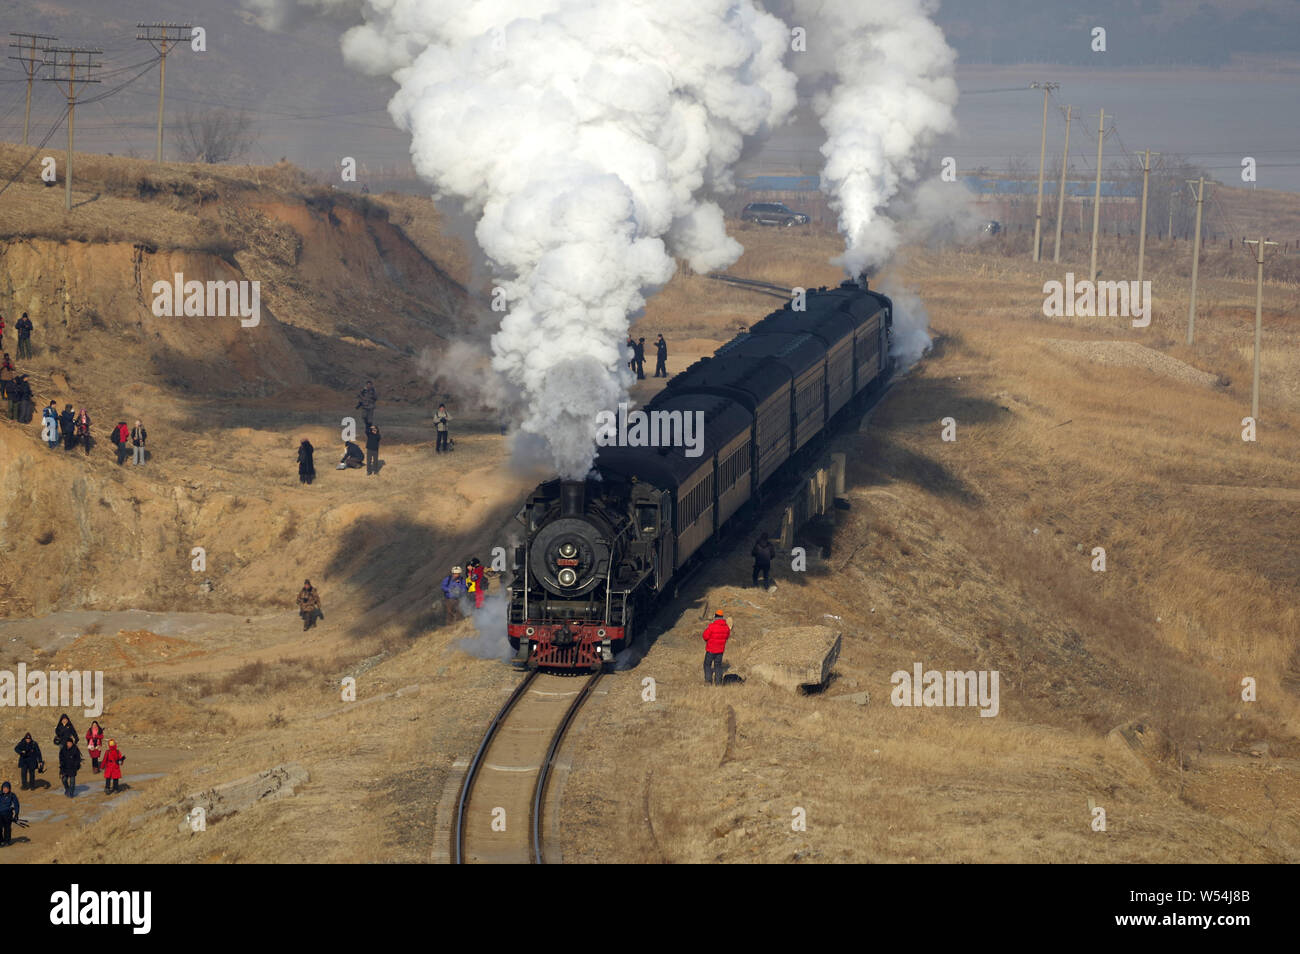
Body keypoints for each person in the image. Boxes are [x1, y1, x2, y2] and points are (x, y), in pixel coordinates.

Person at [702, 611, 731, 686]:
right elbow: (727, 637)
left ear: (715, 617)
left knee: (707, 664)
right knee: (718, 666)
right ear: (722, 617)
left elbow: (705, 636)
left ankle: (708, 681)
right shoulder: (726, 627)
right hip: (720, 650)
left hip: (711, 650)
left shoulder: (712, 626)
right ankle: (718, 683)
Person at [0, 781, 17, 846]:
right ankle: (1, 841)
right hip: (0, 815)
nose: (5, 789)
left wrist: (16, 815)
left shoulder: (12, 795)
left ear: (9, 788)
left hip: (8, 815)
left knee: (7, 828)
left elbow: (16, 805)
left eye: (7, 788)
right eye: (4, 788)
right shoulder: (0, 795)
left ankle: (7, 841)